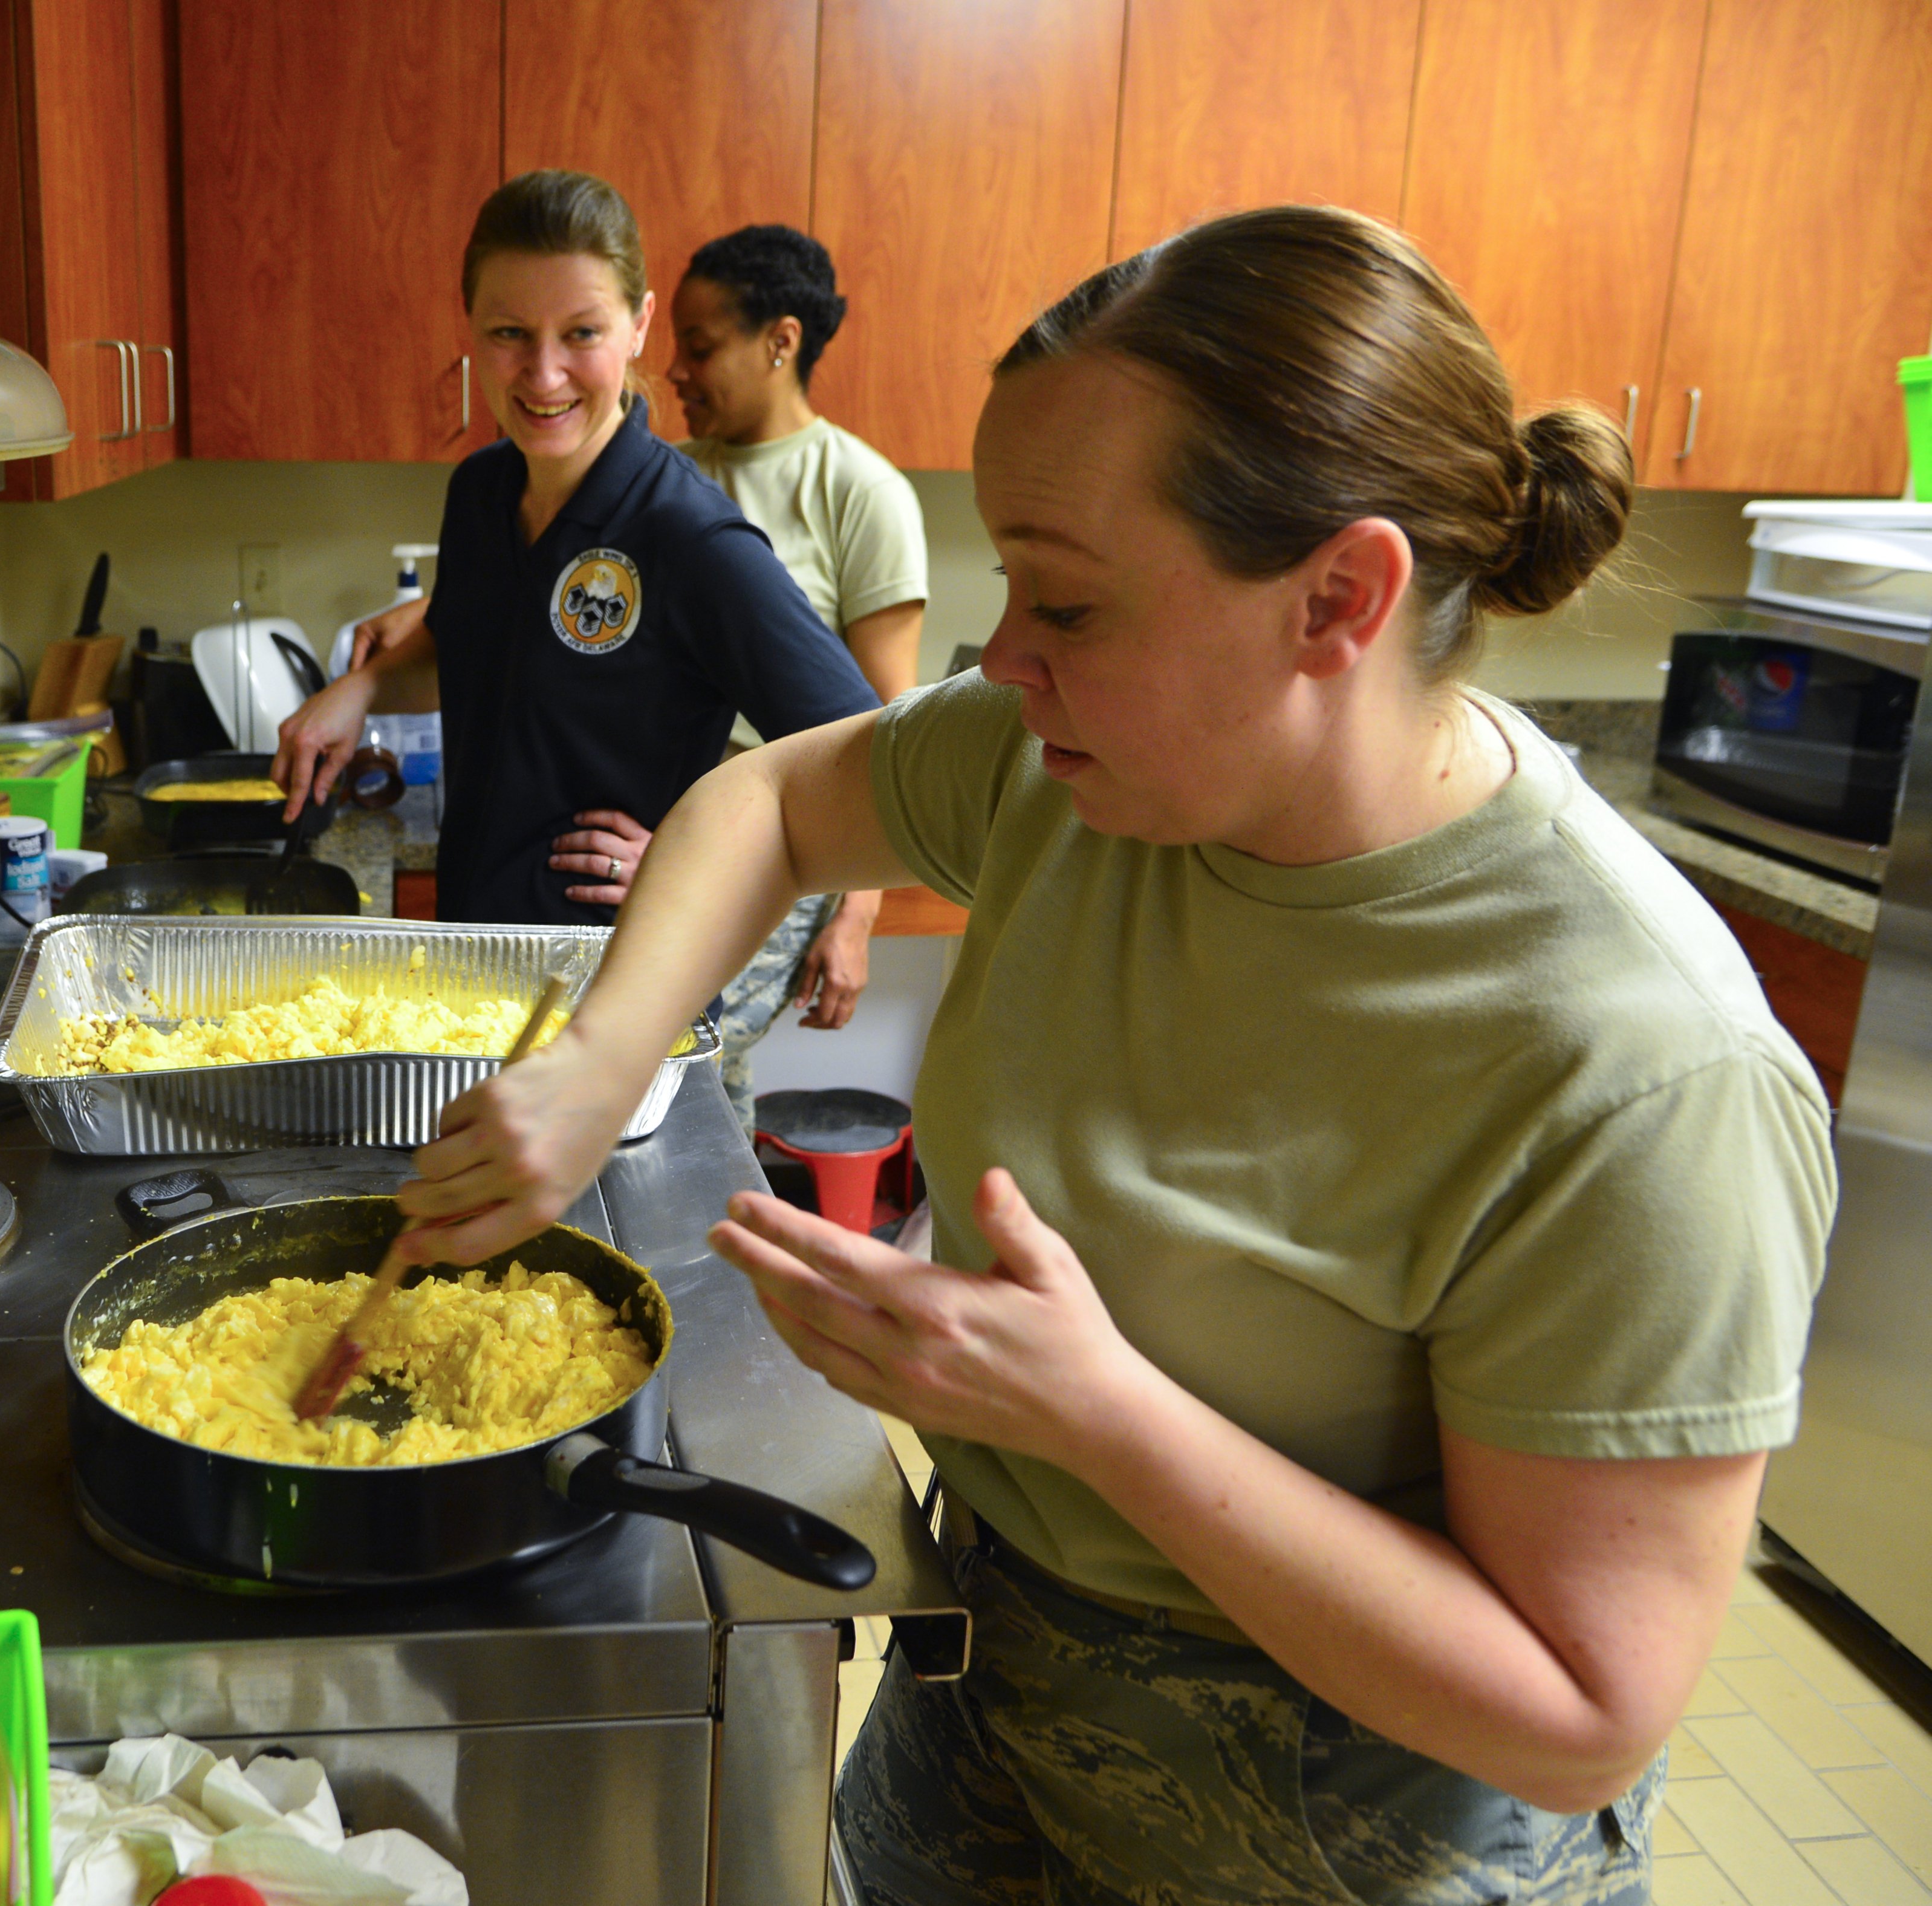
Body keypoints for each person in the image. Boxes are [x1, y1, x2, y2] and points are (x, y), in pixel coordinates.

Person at [391, 206, 1834, 1904]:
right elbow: (776, 796)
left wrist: (1096, 1418)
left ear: (1338, 600)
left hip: (1347, 1832)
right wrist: (595, 1065)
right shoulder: (1061, 767)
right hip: (993, 1709)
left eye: (1063, 597)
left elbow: (1581, 1710)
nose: (1003, 658)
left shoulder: (1639, 1066)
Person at [273, 171, 879, 928]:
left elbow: (869, 765)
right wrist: (359, 693)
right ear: (470, 326)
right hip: (476, 961)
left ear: (638, 326)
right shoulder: (480, 492)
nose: (544, 371)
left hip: (623, 993)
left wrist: (699, 860)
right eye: (509, 333)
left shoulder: (689, 536)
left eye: (582, 333)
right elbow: (471, 648)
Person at [666, 224, 929, 1127]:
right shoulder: (668, 479)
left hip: (788, 847)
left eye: (700, 348)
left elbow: (890, 733)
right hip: (672, 833)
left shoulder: (860, 493)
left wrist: (856, 917)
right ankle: (731, 1255)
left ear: (781, 342)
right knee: (702, 1082)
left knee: (679, 1061)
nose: (675, 372)